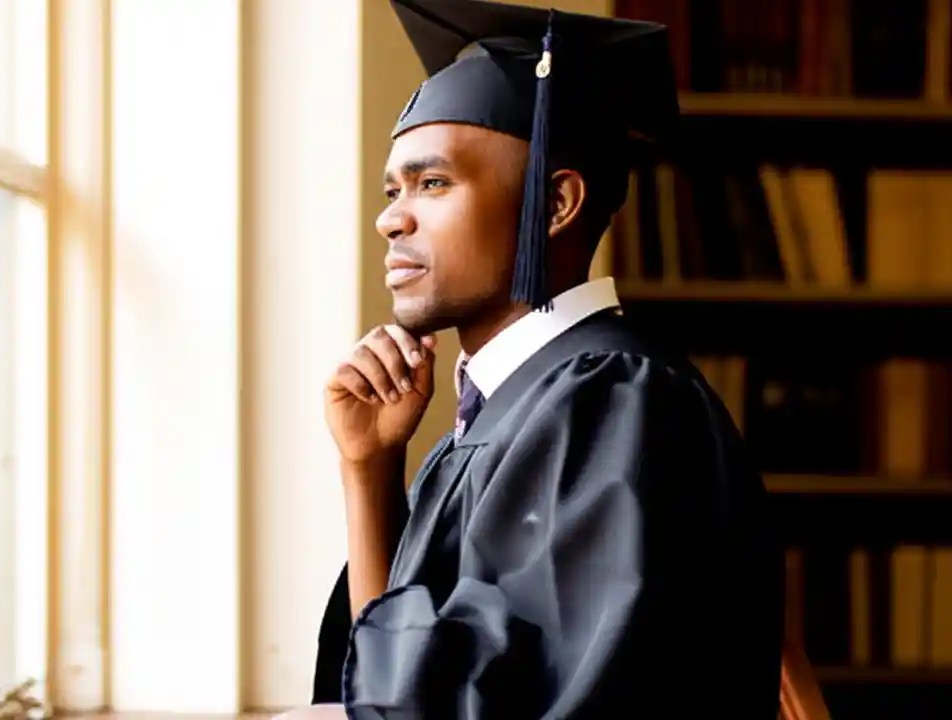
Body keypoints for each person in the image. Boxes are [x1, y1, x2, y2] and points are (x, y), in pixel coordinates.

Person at [282, 2, 786, 718]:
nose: (390, 218)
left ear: (556, 203)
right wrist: (368, 469)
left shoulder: (613, 404)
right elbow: (390, 697)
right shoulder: (516, 407)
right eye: (392, 191)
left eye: (433, 185)